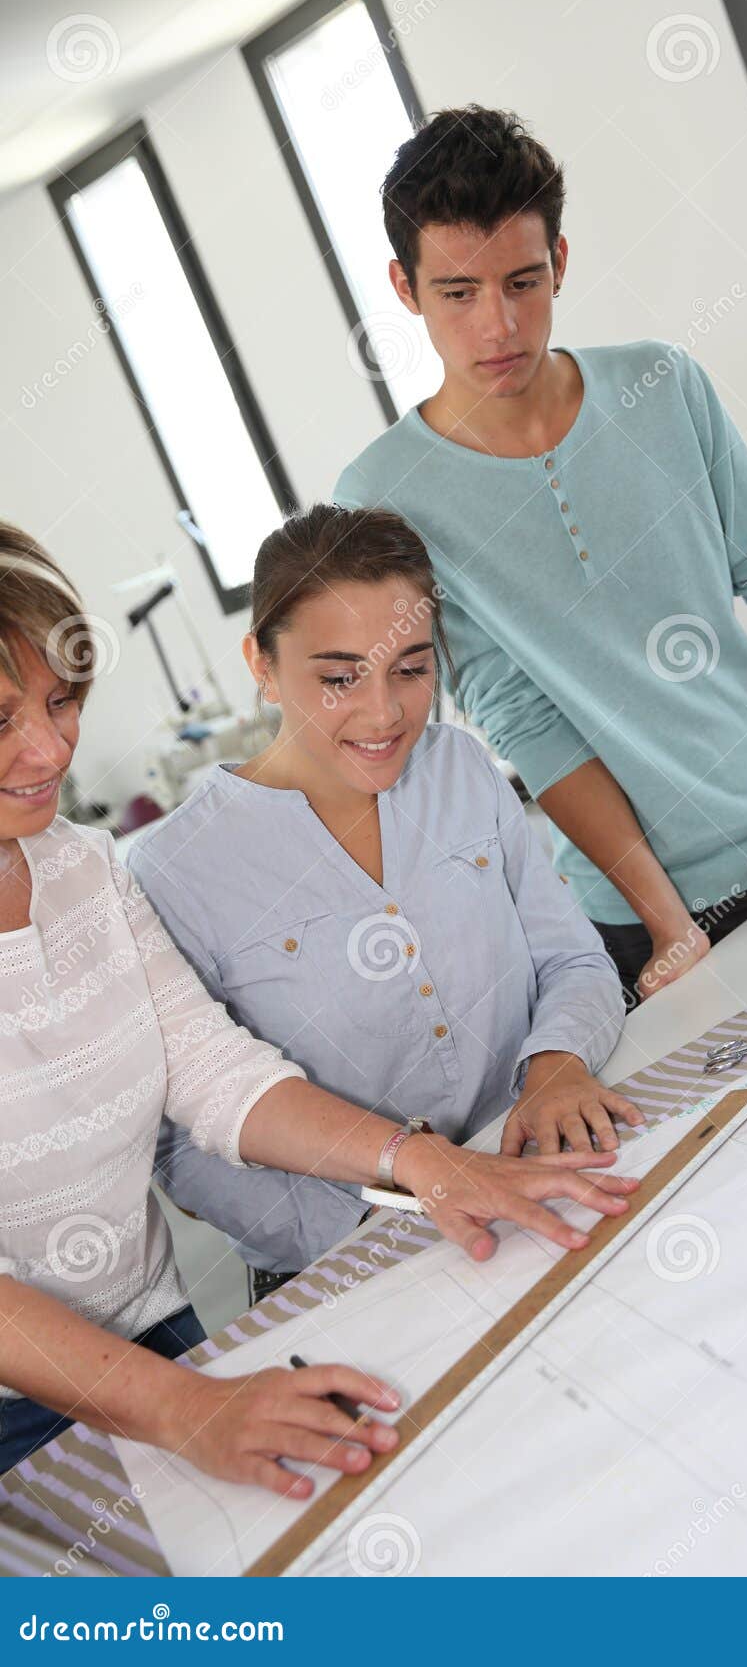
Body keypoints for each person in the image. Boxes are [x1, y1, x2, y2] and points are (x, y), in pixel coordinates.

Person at [0, 523, 637, 1479]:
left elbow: (212, 1074)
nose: (50, 748)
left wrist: (419, 1162)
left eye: (61, 701)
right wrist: (389, 1209)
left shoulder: (83, 872)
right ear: (261, 663)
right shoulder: (174, 863)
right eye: (0, 718)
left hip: (152, 1332)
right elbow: (198, 1152)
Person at [333, 105, 747, 1007]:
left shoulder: (660, 385)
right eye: (457, 294)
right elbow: (519, 714)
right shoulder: (382, 494)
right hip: (638, 923)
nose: (498, 328)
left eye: (522, 282)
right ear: (405, 288)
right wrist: (668, 919)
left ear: (559, 260)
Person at [130, 505, 635, 1292]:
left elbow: (571, 958)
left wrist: (559, 1069)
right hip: (358, 1255)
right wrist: (372, 1226)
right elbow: (182, 1143)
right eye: (338, 678)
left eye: (410, 667)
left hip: (535, 1168)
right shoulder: (174, 870)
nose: (384, 713)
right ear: (260, 666)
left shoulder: (463, 771)